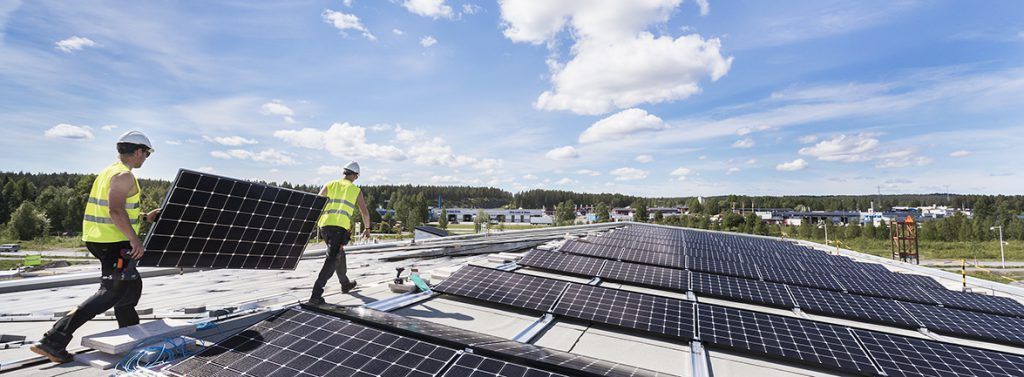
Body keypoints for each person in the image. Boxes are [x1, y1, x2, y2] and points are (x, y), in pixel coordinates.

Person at [31, 131, 161, 364]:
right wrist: (135, 239)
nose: (146, 158)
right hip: (111, 242)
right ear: (139, 151)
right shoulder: (124, 176)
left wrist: (144, 217)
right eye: (147, 153)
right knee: (111, 291)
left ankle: (131, 335)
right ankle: (54, 339)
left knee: (130, 286)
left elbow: (118, 210)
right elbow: (114, 211)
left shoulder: (109, 171)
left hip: (102, 238)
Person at [308, 161, 371, 305]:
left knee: (338, 254)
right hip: (339, 228)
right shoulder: (356, 190)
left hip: (324, 226)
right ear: (355, 176)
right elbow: (364, 212)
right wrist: (367, 229)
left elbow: (316, 203)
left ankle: (345, 283)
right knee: (332, 259)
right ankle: (316, 294)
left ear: (343, 172)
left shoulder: (329, 184)